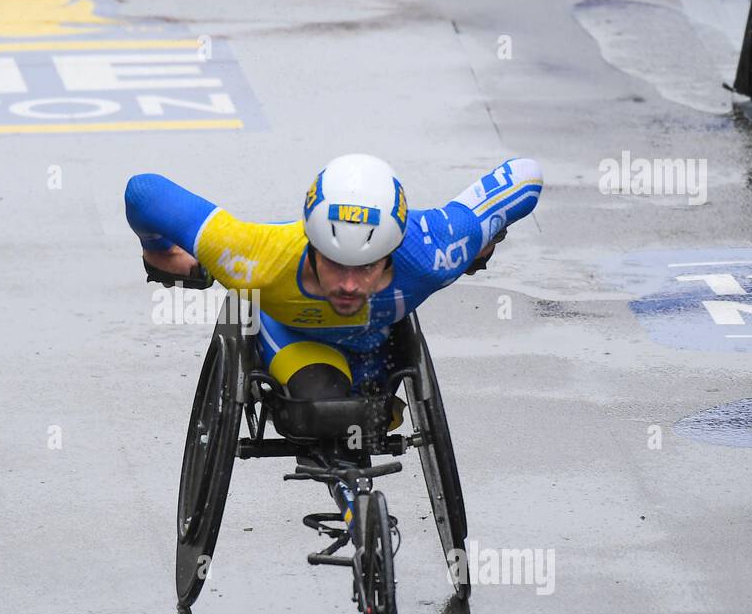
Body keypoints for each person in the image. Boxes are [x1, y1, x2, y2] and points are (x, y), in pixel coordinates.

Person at [126, 153, 542, 424]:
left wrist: (486, 227)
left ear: (392, 253)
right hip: (297, 336)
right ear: (310, 242)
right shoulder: (254, 257)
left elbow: (526, 176)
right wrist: (160, 251)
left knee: (363, 413)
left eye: (364, 268)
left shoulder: (436, 250)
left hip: (380, 342)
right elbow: (142, 191)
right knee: (324, 412)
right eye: (333, 263)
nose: (347, 284)